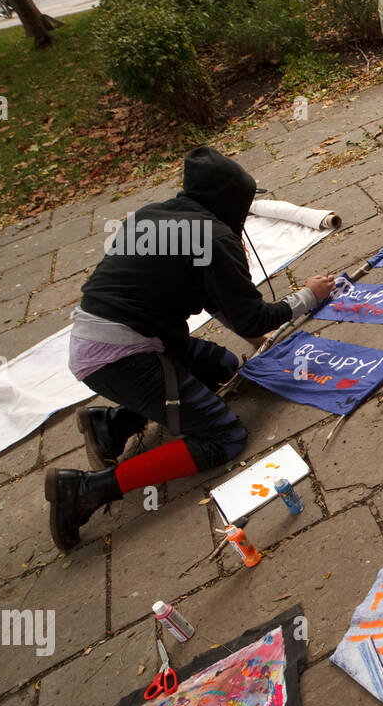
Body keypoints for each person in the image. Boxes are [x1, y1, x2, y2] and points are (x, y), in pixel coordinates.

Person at [46, 146, 335, 551]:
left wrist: (261, 343)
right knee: (223, 437)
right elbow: (252, 316)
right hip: (121, 357)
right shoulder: (215, 237)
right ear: (233, 203)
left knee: (225, 367)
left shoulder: (154, 215)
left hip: (114, 339)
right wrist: (308, 296)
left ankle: (112, 424)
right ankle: (88, 489)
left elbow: (220, 300)